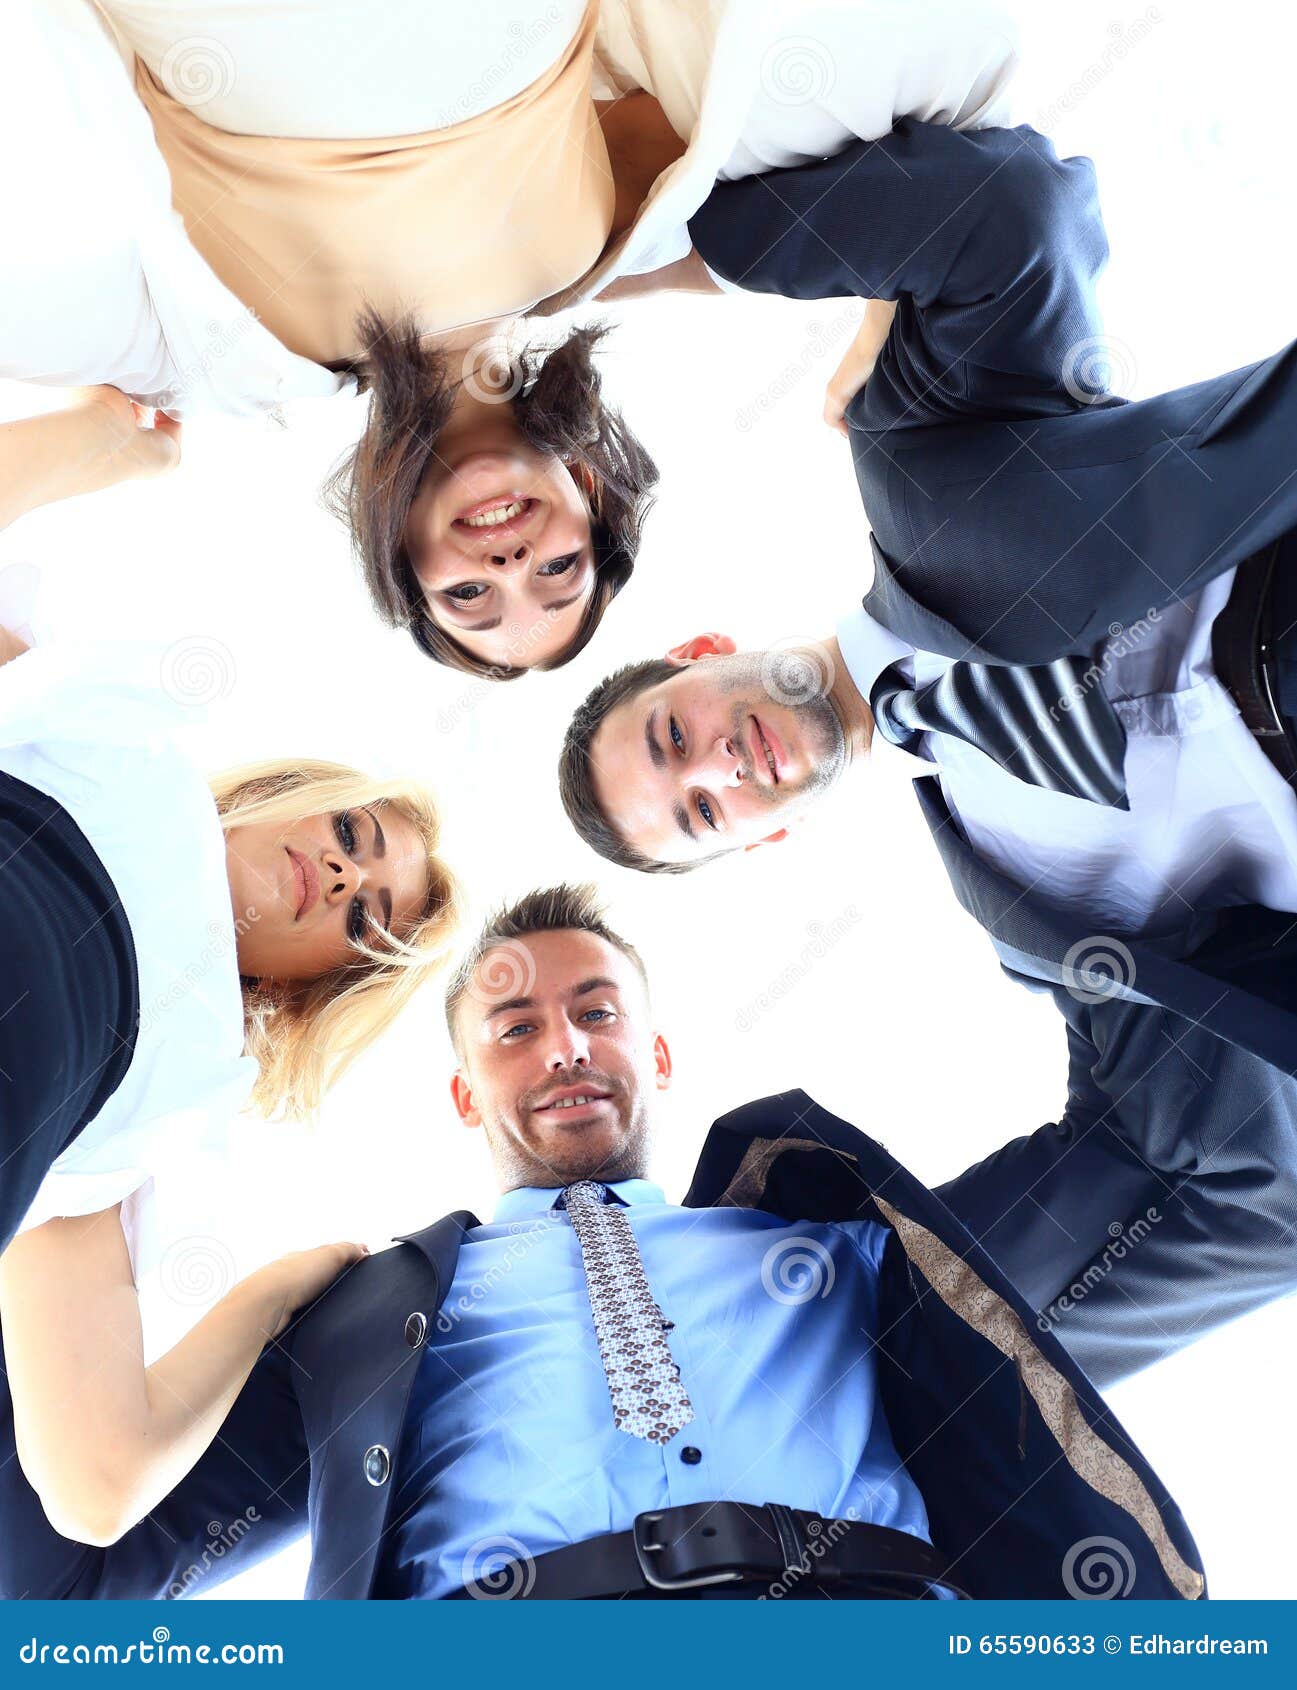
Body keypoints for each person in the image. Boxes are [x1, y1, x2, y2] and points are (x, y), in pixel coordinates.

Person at [0, 886, 1223, 1601]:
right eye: (515, 1028)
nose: (567, 1049)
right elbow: (72, 1562)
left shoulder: (853, 1249)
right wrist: (68, 1131)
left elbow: (1165, 1145)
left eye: (597, 1013)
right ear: (465, 1097)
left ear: (660, 1055)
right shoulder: (366, 1325)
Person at [558, 118, 1297, 1081]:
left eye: (671, 738)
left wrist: (637, 265)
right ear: (764, 837)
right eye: (700, 813)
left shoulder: (921, 469)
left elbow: (1014, 212)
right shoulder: (1028, 932)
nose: (719, 769)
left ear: (700, 649)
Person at [5, 0, 1023, 675]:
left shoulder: (237, 363)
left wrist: (96, 451)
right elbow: (936, 162)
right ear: (588, 497)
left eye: (468, 594)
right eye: (556, 573)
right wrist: (886, 306)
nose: (508, 563)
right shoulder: (597, 251)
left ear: (393, 548)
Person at [0, 392, 462, 1548]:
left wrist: (271, 1292)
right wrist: (97, 451)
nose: (343, 880)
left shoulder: (177, 1098)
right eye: (352, 839)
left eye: (367, 925)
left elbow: (95, 1484)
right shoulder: (122, 738)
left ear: (315, 987)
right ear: (286, 798)